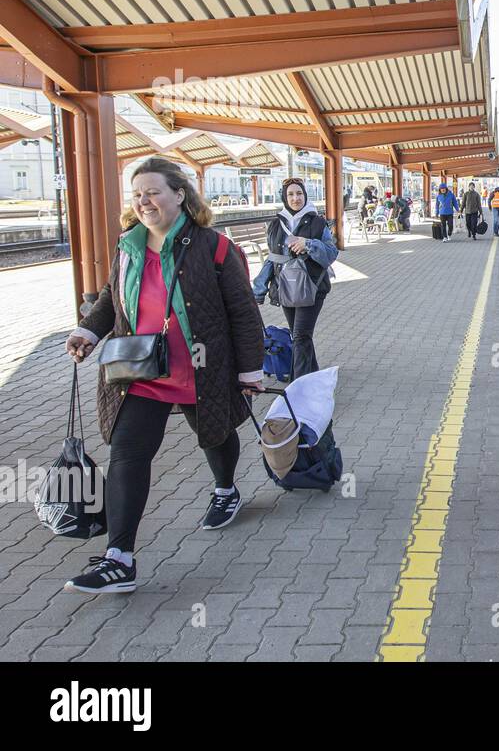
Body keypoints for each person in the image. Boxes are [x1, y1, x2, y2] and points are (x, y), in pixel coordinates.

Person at [63, 157, 265, 594]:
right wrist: (86, 331)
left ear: (179, 194)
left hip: (200, 368)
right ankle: (120, 558)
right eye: (137, 194)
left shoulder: (215, 248)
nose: (144, 201)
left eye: (153, 191)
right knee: (127, 454)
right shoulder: (128, 246)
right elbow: (109, 302)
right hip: (141, 370)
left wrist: (250, 371)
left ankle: (226, 489)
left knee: (213, 435)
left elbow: (245, 315)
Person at [252, 178, 339, 380]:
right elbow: (272, 259)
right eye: (290, 194)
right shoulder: (276, 224)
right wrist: (258, 289)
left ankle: (298, 385)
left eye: (299, 193)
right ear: (284, 197)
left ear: (305, 195)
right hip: (286, 288)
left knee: (300, 336)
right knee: (300, 336)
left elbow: (331, 253)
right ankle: (314, 375)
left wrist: (308, 244)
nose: (295, 198)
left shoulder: (317, 222)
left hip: (312, 287)